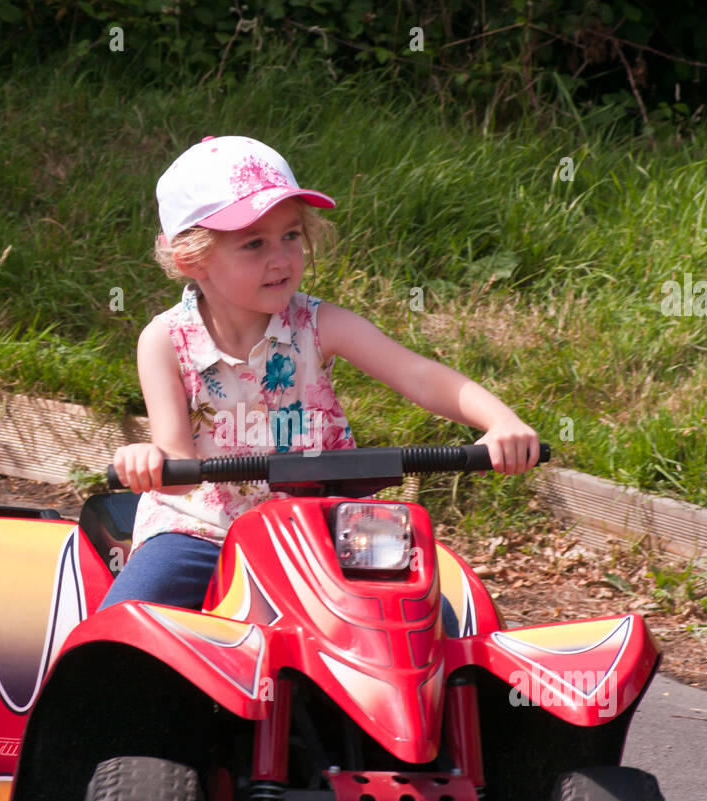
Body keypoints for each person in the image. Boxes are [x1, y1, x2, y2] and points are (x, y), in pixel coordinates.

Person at [99, 135, 539, 611]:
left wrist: (501, 421)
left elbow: (420, 375)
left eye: (290, 236)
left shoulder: (318, 323)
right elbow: (178, 471)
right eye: (253, 244)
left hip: (325, 521)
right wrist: (147, 461)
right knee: (132, 618)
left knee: (429, 618)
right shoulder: (167, 340)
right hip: (206, 530)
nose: (282, 259)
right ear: (191, 258)